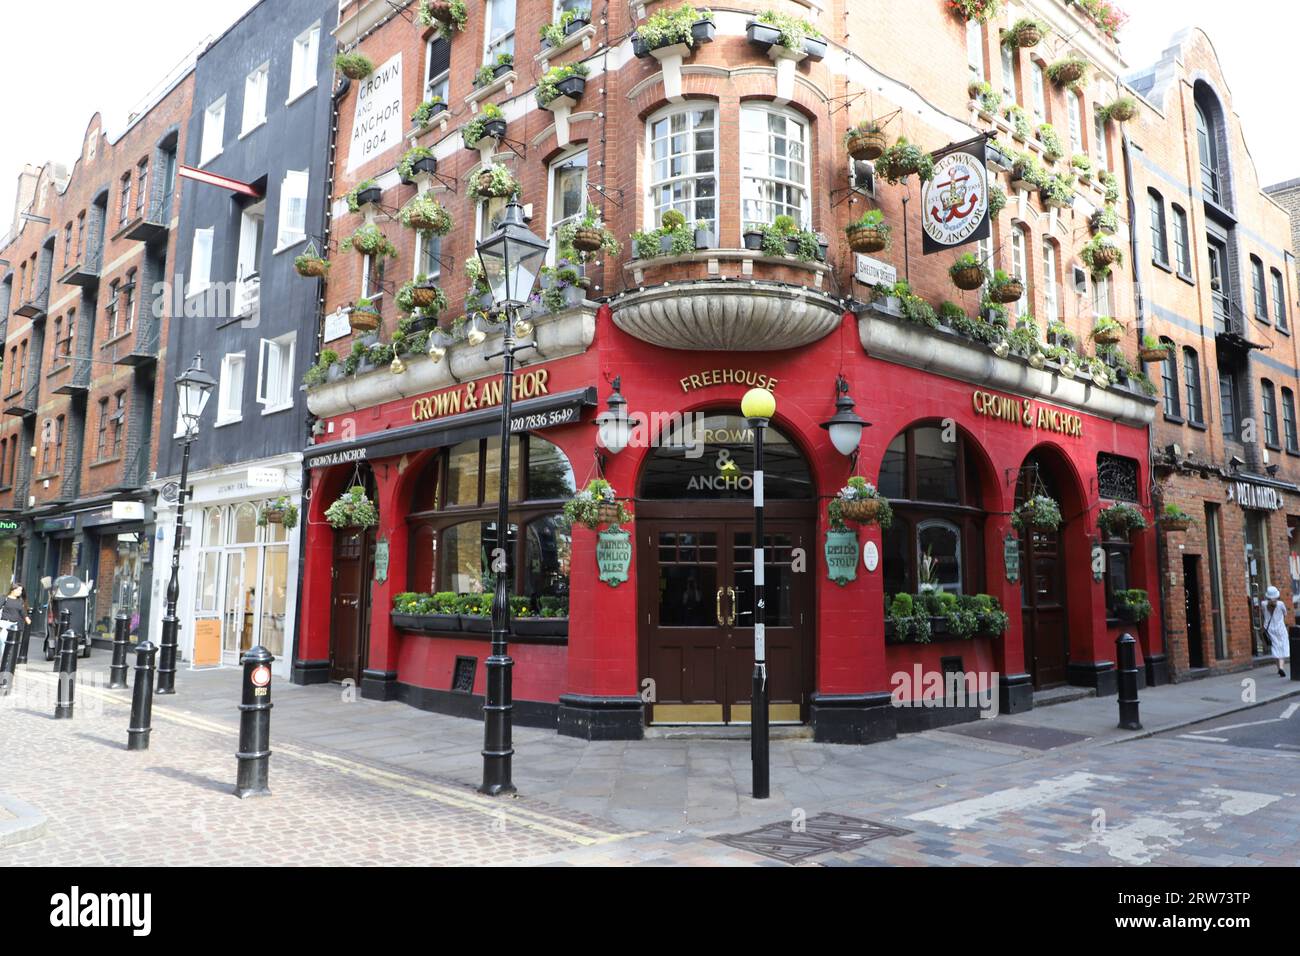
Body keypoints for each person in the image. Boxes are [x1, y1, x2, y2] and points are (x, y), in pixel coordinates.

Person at [1262, 585, 1291, 678]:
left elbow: (1263, 613)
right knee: (1282, 647)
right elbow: (1285, 613)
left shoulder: (1263, 604)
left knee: (1275, 647)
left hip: (1270, 629)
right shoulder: (1280, 604)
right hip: (1280, 628)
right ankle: (1281, 667)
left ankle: (1278, 668)